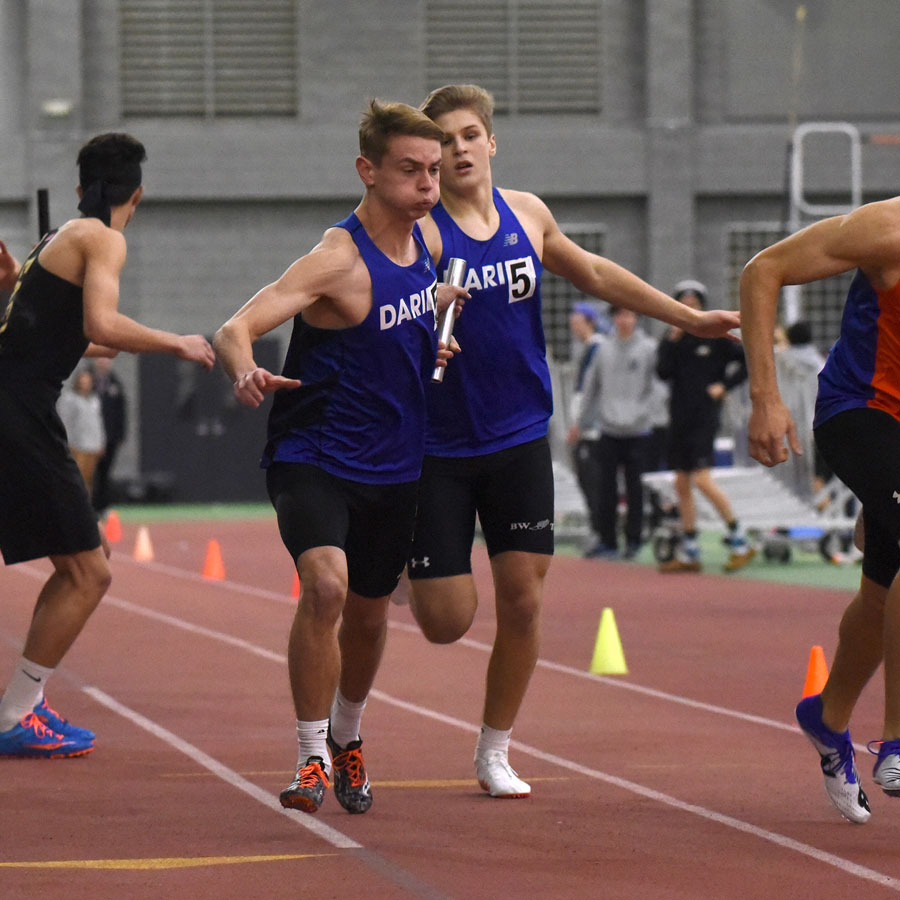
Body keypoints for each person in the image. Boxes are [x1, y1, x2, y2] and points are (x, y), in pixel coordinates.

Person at [406, 84, 741, 798]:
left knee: (523, 601)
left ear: (490, 143)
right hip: (438, 441)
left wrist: (686, 319)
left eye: (470, 135)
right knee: (445, 621)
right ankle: (410, 574)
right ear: (430, 156)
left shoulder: (527, 215)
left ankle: (494, 750)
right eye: (446, 140)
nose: (460, 149)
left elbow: (591, 270)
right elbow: (374, 306)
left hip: (520, 433)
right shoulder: (422, 232)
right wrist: (419, 312)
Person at [213, 100, 461, 816]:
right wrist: (241, 370)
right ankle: (310, 754)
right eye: (411, 171)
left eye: (434, 172)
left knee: (370, 613)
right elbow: (238, 326)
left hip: (396, 461)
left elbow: (424, 303)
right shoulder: (336, 259)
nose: (427, 187)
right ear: (368, 170)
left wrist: (437, 328)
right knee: (325, 587)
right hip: (315, 450)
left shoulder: (431, 247)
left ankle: (349, 738)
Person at [0, 133, 214, 759]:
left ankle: (22, 707)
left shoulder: (57, 240)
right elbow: (101, 324)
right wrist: (178, 341)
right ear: (137, 195)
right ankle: (16, 712)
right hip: (18, 410)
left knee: (77, 569)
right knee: (90, 571)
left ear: (79, 188)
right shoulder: (104, 238)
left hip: (15, 402)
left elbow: (89, 340)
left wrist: (16, 283)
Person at [740, 195, 900, 825]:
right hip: (860, 413)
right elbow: (763, 270)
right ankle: (896, 739)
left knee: (882, 591)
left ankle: (827, 716)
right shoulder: (887, 229)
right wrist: (765, 398)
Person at [655, 280, 754, 574]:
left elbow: (747, 360)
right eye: (683, 303)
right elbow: (662, 372)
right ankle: (690, 551)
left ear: (702, 305)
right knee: (681, 482)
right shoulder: (674, 339)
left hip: (704, 416)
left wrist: (725, 386)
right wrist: (671, 339)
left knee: (702, 479)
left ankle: (740, 540)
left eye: (694, 303)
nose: (689, 308)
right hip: (679, 416)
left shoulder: (716, 336)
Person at [579, 306, 658, 559]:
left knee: (636, 489)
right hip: (609, 429)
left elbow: (656, 386)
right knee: (606, 488)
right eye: (620, 315)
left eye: (630, 314)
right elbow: (591, 386)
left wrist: (647, 416)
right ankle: (607, 540)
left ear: (636, 318)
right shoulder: (603, 349)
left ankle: (633, 540)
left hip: (639, 430)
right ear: (614, 318)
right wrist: (579, 422)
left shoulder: (648, 348)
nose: (624, 319)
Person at [566, 301, 605, 551]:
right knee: (586, 479)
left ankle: (600, 531)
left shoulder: (598, 349)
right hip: (585, 426)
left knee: (594, 481)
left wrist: (581, 424)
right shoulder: (588, 350)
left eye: (577, 324)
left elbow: (591, 391)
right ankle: (597, 529)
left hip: (593, 429)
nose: (574, 330)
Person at [773, 320, 827, 501]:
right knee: (820, 475)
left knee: (799, 476)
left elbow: (778, 351)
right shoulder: (819, 362)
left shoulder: (783, 358)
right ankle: (826, 516)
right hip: (822, 423)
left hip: (793, 427)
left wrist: (780, 337)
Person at [57, 367, 106, 497]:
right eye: (83, 381)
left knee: (88, 479)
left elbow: (99, 422)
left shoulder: (95, 400)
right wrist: (67, 442)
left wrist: (101, 441)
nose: (86, 384)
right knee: (76, 479)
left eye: (88, 381)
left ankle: (87, 507)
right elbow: (65, 421)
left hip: (93, 444)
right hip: (77, 444)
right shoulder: (70, 399)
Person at [90, 355, 127, 512]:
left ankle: (103, 506)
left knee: (105, 472)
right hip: (89, 437)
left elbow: (122, 412)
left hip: (110, 436)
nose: (103, 362)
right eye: (100, 359)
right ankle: (89, 505)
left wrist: (120, 435)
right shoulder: (87, 381)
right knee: (90, 472)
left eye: (106, 360)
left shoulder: (115, 383)